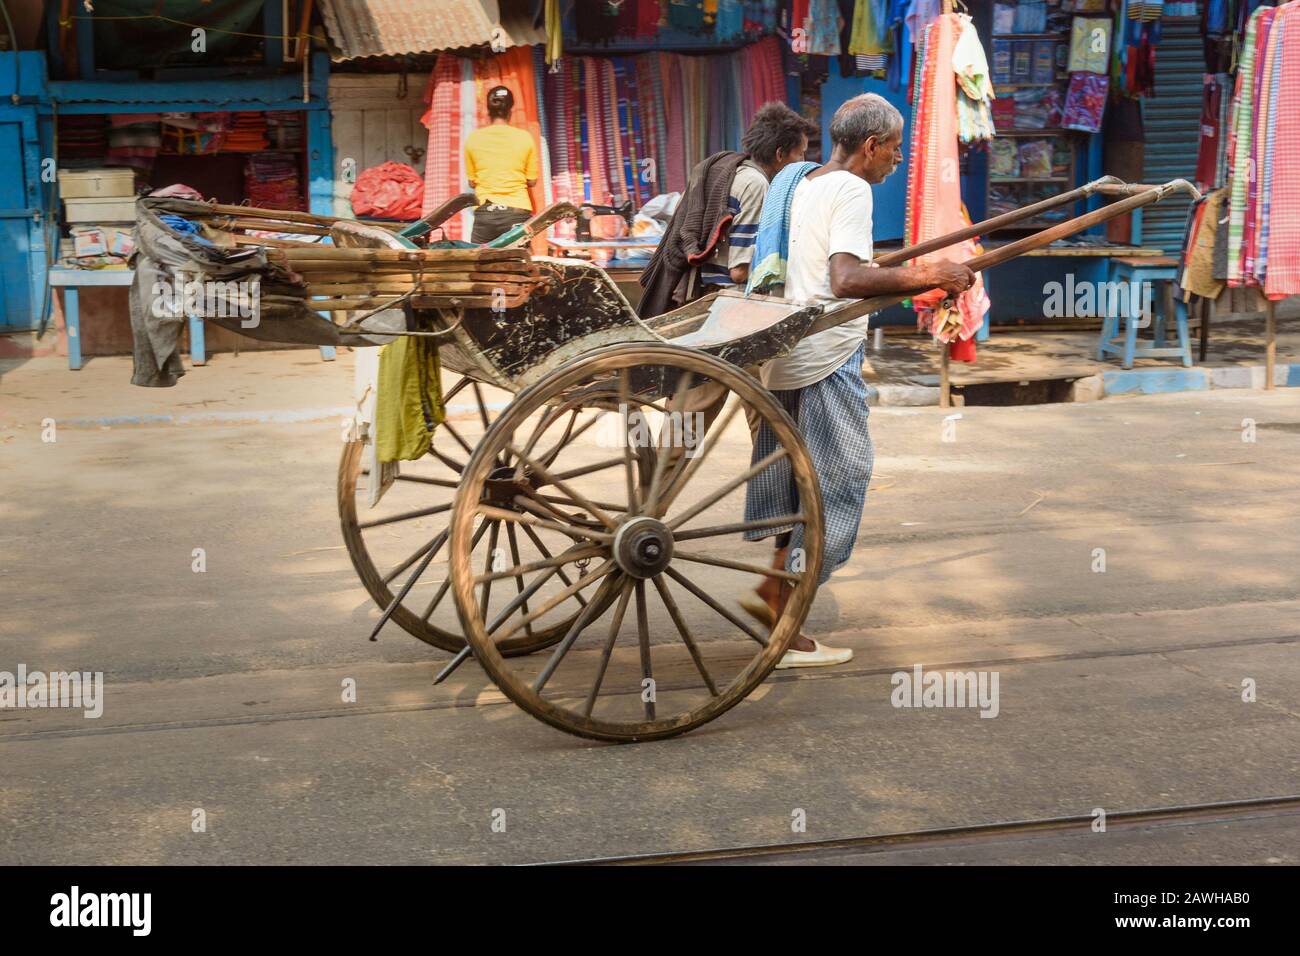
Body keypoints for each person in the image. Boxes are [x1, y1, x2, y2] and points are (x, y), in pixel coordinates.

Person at [742, 93, 975, 668]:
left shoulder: (802, 182)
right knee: (842, 480)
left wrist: (908, 268)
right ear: (871, 146)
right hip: (825, 354)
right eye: (894, 150)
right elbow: (845, 279)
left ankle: (776, 588)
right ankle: (786, 615)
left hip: (784, 348)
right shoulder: (851, 189)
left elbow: (832, 263)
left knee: (798, 481)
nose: (896, 161)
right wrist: (927, 273)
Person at [639, 102, 818, 317]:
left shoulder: (728, 172)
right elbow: (739, 272)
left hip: (696, 297)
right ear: (780, 154)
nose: (803, 162)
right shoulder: (756, 185)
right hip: (725, 307)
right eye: (800, 154)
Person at [463, 86, 538, 244]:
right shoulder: (525, 138)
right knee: (520, 263)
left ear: (488, 111)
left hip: (485, 213)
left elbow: (472, 182)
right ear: (510, 110)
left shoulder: (474, 139)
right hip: (517, 211)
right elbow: (532, 181)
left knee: (479, 263)